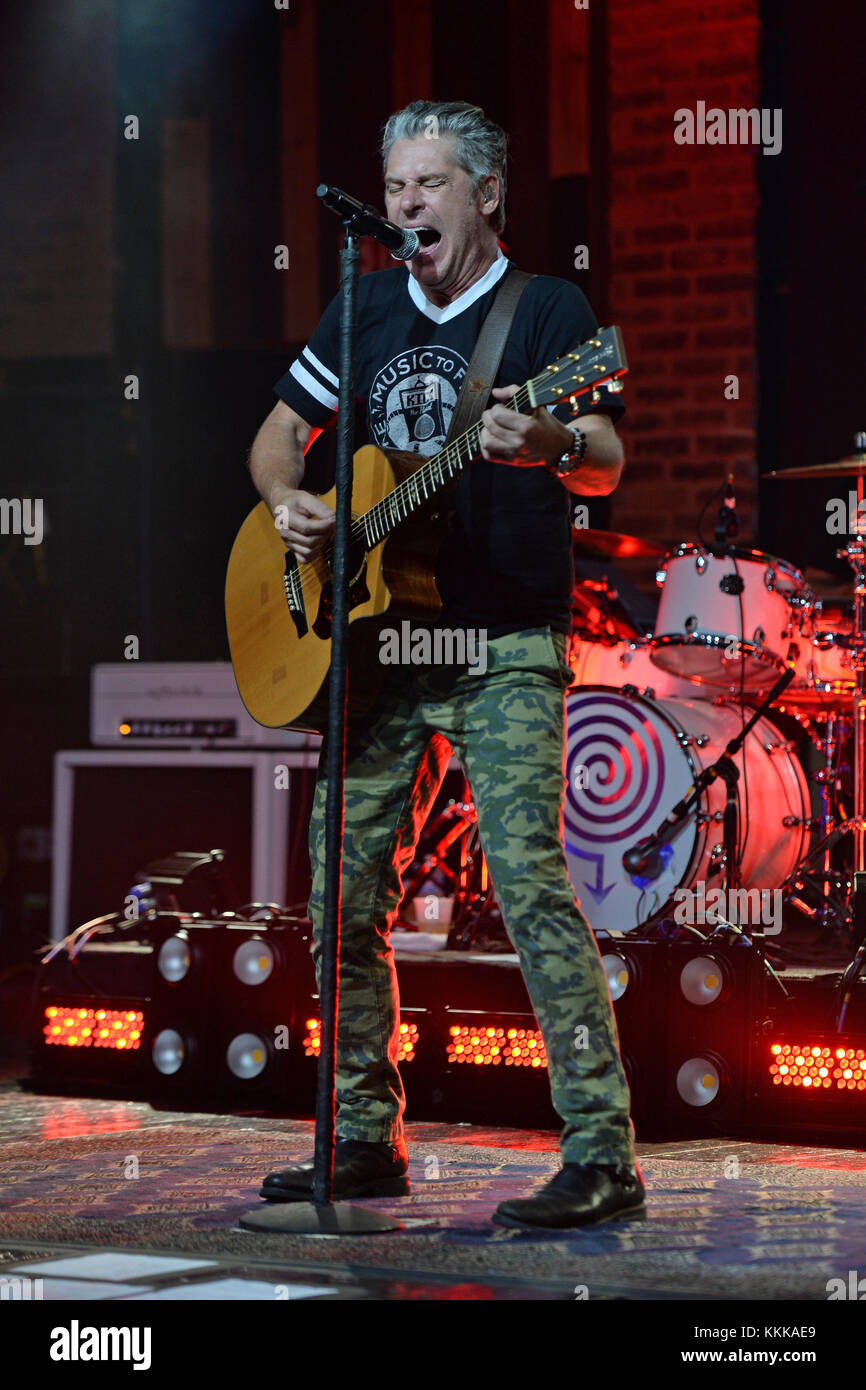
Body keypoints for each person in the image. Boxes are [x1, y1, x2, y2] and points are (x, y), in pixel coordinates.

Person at [248, 100, 644, 1228]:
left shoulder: (546, 312)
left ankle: (600, 1152)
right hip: (376, 648)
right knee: (340, 892)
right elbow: (279, 435)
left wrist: (557, 441)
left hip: (502, 639)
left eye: (428, 184)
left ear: (484, 194)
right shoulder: (364, 306)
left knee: (526, 884)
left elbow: (605, 457)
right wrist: (293, 506)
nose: (407, 203)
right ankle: (362, 1138)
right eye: (397, 184)